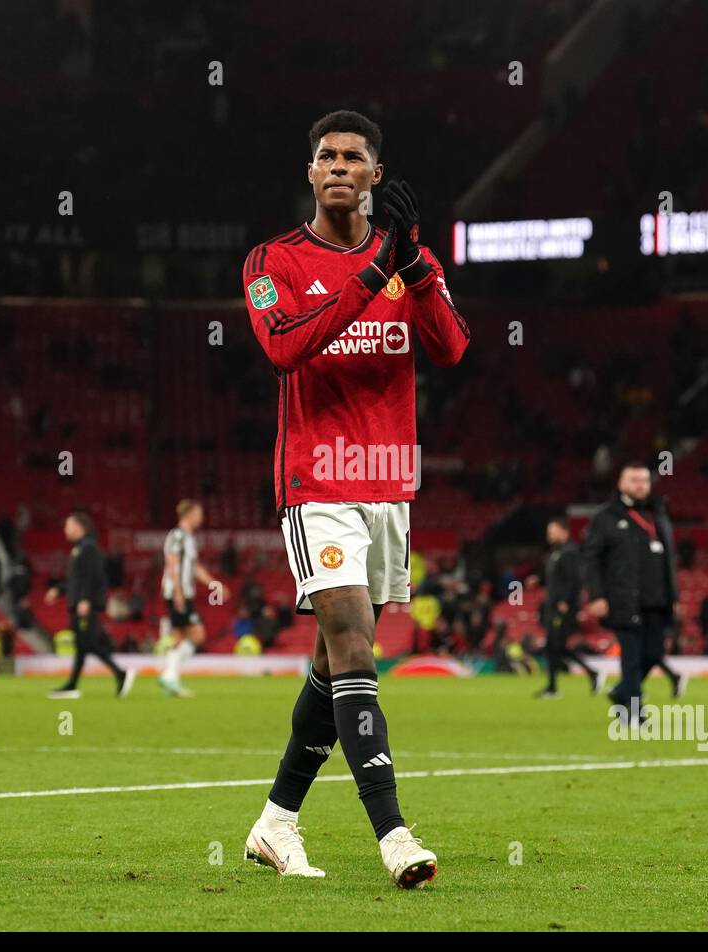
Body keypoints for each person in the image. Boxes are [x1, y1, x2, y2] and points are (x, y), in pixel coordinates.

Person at [239, 110, 468, 888]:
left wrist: (418, 264)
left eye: (354, 157)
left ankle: (276, 822)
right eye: (326, 156)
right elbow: (283, 347)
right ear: (310, 173)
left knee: (335, 662)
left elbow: (453, 347)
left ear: (375, 175)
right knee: (353, 641)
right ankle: (394, 833)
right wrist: (375, 276)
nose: (339, 166)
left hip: (388, 480)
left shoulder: (407, 261)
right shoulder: (271, 260)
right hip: (317, 480)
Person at [582, 463, 682, 725]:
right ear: (620, 483)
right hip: (624, 600)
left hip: (657, 600)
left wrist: (675, 597)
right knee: (632, 655)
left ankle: (622, 691)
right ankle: (634, 712)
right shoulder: (605, 518)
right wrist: (597, 595)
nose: (640, 485)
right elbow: (591, 559)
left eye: (644, 480)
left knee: (653, 654)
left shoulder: (658, 514)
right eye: (633, 480)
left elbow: (668, 560)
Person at [45, 511, 134, 699]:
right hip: (82, 602)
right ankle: (72, 685)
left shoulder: (88, 548)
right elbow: (76, 579)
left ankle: (121, 673)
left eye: (68, 526)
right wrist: (59, 589)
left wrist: (85, 599)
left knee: (88, 643)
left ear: (79, 527)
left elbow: (91, 577)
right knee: (82, 645)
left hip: (86, 604)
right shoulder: (81, 548)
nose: (65, 530)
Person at [158, 499, 227, 697]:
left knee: (180, 637)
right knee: (197, 634)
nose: (201, 518)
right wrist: (178, 592)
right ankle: (169, 675)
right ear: (189, 514)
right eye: (198, 513)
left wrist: (214, 584)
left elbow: (194, 568)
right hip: (177, 593)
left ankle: (172, 680)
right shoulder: (177, 535)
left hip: (182, 593)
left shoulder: (188, 538)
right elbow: (171, 563)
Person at [536, 518, 601, 698]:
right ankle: (589, 674)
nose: (549, 534)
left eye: (553, 530)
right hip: (553, 606)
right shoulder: (555, 553)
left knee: (554, 646)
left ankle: (553, 687)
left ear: (564, 532)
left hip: (561, 607)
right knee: (555, 647)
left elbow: (575, 579)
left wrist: (565, 600)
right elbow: (557, 579)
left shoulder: (570, 552)